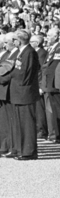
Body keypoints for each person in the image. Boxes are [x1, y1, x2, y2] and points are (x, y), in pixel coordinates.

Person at [3, 30, 41, 160]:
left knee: (27, 124)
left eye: (14, 40)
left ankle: (28, 151)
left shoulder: (29, 52)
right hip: (19, 93)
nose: (13, 42)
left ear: (19, 41)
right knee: (19, 124)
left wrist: (8, 77)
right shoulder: (22, 52)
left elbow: (25, 73)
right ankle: (20, 149)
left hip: (25, 92)